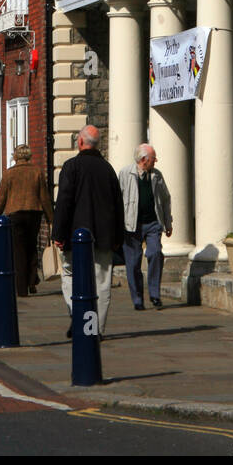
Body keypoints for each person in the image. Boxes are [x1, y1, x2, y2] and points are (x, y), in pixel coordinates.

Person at [53, 125, 124, 337]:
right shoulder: (108, 169)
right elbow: (118, 205)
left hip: (75, 236)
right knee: (102, 283)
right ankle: (95, 329)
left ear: (80, 142)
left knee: (69, 276)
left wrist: (58, 233)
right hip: (104, 237)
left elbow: (64, 201)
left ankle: (80, 318)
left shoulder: (71, 166)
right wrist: (118, 236)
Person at [0, 144, 54, 297]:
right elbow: (44, 197)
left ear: (15, 157)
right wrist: (50, 218)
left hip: (15, 214)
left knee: (18, 251)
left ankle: (21, 288)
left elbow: (1, 197)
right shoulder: (37, 172)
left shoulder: (9, 174)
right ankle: (32, 281)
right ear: (29, 156)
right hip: (34, 213)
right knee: (32, 246)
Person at [119, 144, 172, 310]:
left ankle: (155, 294)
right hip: (131, 225)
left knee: (156, 253)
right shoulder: (125, 173)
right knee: (133, 263)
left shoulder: (156, 175)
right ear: (143, 160)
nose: (155, 161)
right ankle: (137, 299)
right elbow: (117, 199)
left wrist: (168, 222)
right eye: (152, 159)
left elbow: (165, 198)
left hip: (153, 223)